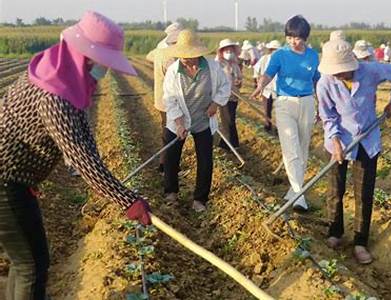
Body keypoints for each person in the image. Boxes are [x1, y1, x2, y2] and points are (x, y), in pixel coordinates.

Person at [0, 11, 151, 300]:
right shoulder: (54, 95)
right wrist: (127, 200)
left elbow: (84, 140)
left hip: (13, 179)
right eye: (103, 63)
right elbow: (82, 158)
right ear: (86, 56)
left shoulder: (60, 77)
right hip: (5, 182)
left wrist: (120, 192)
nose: (104, 70)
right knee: (31, 265)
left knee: (26, 264)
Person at [316, 38, 391, 264]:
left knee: (364, 193)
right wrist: (334, 140)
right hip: (340, 140)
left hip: (367, 138)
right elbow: (328, 116)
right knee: (336, 189)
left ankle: (360, 241)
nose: (339, 75)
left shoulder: (370, 70)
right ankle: (335, 232)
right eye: (335, 72)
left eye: (343, 71)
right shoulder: (325, 83)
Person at [251, 15, 320, 211]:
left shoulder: (313, 56)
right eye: (289, 37)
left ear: (305, 38)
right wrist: (260, 86)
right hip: (284, 104)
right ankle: (299, 195)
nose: (292, 41)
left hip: (306, 102)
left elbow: (317, 79)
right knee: (290, 148)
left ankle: (294, 189)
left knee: (302, 148)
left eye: (296, 38)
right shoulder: (280, 55)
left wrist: (323, 103)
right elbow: (268, 74)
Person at [162, 30, 230, 212]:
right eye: (182, 55)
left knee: (205, 159)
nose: (185, 59)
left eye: (189, 55)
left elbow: (225, 86)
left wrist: (216, 104)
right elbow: (169, 98)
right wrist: (178, 123)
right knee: (171, 156)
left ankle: (200, 199)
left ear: (198, 53)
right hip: (179, 119)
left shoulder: (213, 68)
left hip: (203, 119)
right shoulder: (172, 71)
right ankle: (171, 193)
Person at [146, 22, 184, 172]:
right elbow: (176, 79)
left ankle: (165, 165)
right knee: (172, 134)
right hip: (170, 100)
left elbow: (150, 57)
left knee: (167, 132)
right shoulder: (170, 57)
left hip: (161, 99)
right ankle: (168, 166)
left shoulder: (160, 51)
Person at [216, 38, 243, 150]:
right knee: (227, 120)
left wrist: (238, 82)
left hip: (234, 97)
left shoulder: (235, 64)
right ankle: (228, 143)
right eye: (226, 51)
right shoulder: (218, 65)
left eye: (231, 51)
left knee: (230, 119)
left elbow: (239, 80)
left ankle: (230, 143)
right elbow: (216, 81)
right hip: (223, 97)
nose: (229, 53)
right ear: (221, 52)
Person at [253, 40, 282, 132]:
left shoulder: (282, 60)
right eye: (273, 50)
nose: (275, 52)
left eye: (277, 50)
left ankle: (279, 128)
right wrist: (257, 83)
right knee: (267, 110)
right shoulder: (264, 58)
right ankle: (267, 126)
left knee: (280, 111)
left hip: (279, 89)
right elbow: (256, 70)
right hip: (267, 89)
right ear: (270, 50)